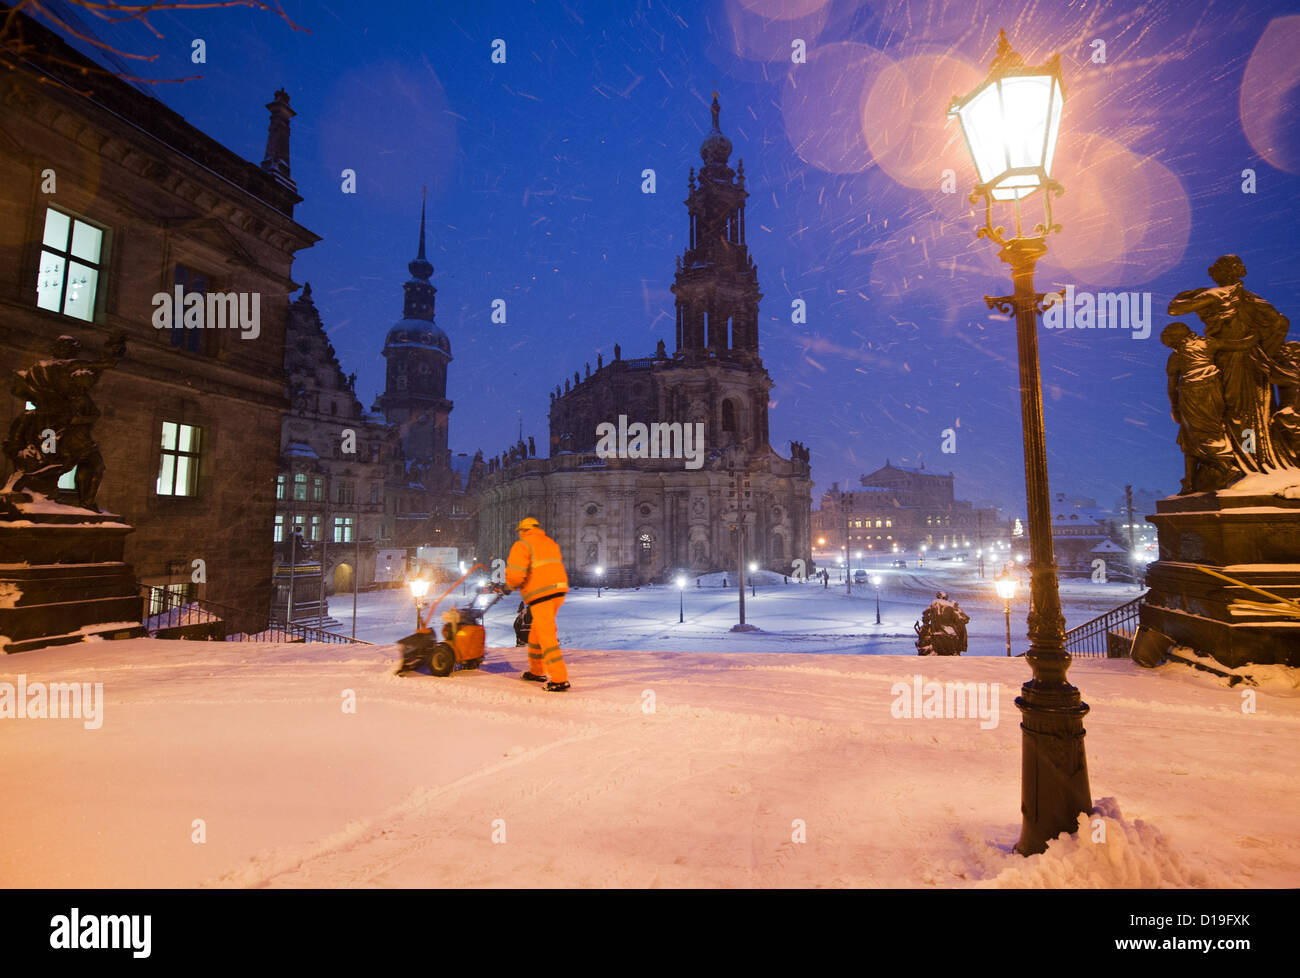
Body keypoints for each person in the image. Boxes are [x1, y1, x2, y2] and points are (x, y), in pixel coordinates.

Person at [506, 517, 571, 691]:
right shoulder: (549, 542)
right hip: (558, 591)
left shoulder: (522, 545)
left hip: (541, 594)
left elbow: (515, 574)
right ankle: (536, 670)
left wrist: (509, 585)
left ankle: (559, 678)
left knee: (546, 635)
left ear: (523, 531)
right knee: (536, 633)